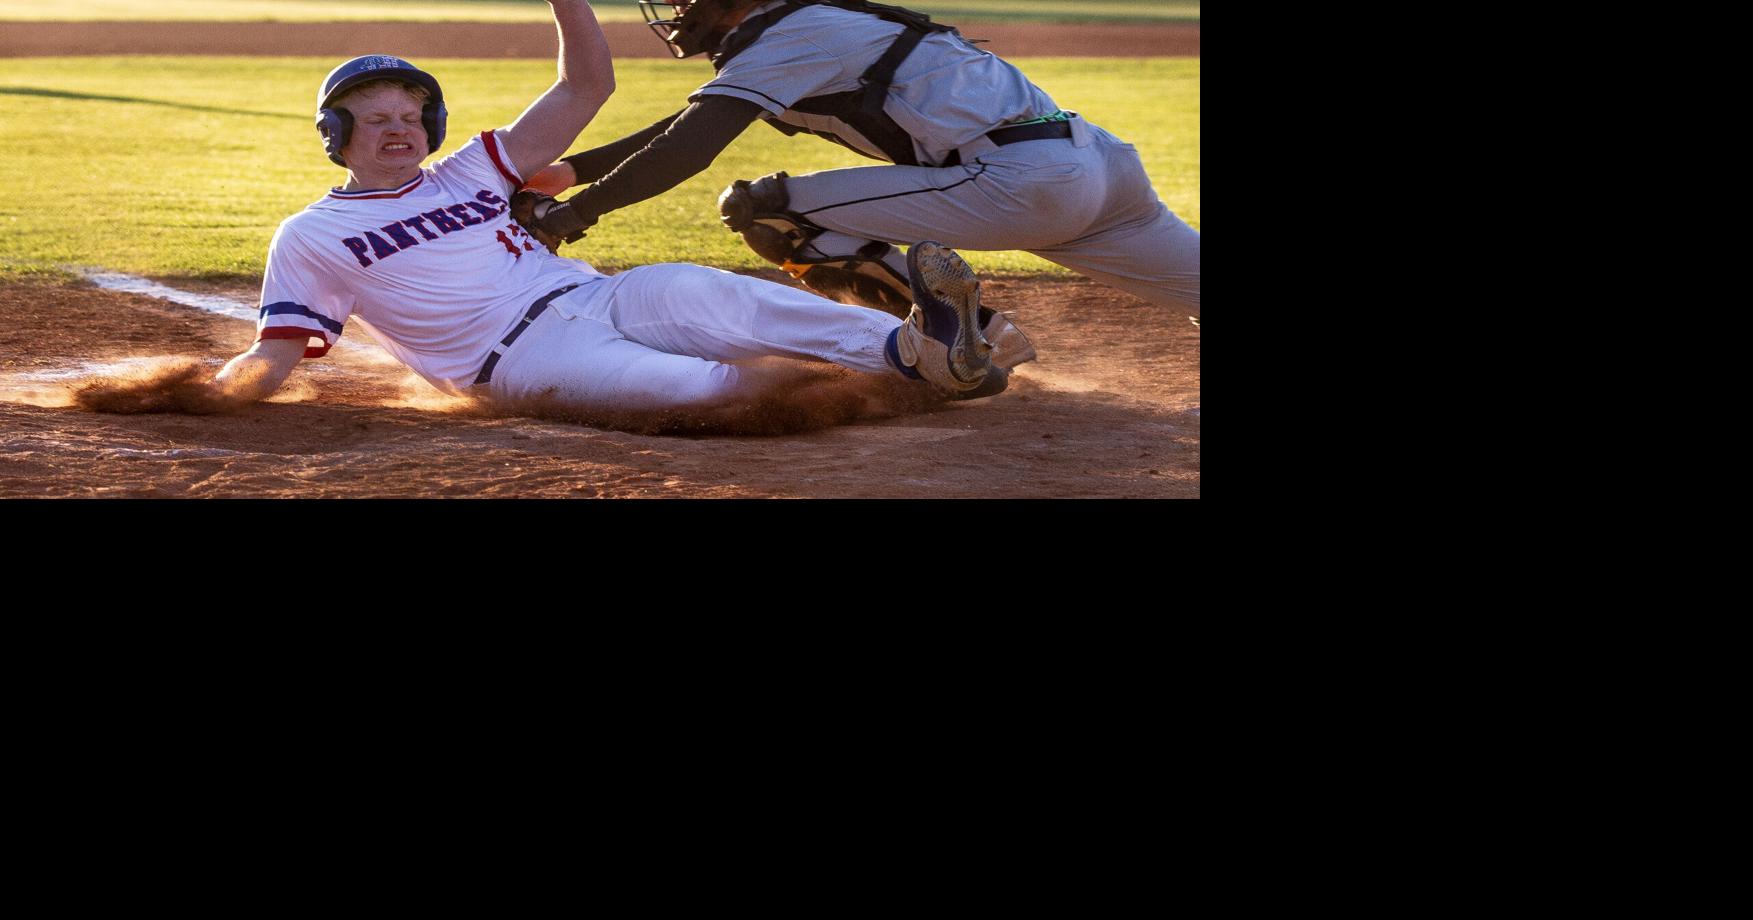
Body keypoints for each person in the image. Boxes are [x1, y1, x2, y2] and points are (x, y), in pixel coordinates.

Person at [207, 0, 1020, 416]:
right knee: (707, 390)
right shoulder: (315, 235)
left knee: (717, 293)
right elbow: (277, 353)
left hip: (599, 293)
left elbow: (586, 87)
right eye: (377, 119)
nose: (400, 128)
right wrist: (204, 396)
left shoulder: (472, 171)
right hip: (516, 363)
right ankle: (897, 380)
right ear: (337, 132)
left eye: (412, 115)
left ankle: (927, 351)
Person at [515, 0, 1200, 321]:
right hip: (1096, 165)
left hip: (1019, 184)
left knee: (764, 208)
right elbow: (681, 127)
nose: (680, 9)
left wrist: (575, 215)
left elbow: (692, 146)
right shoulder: (818, 26)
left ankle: (965, 337)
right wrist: (569, 174)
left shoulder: (790, 34)